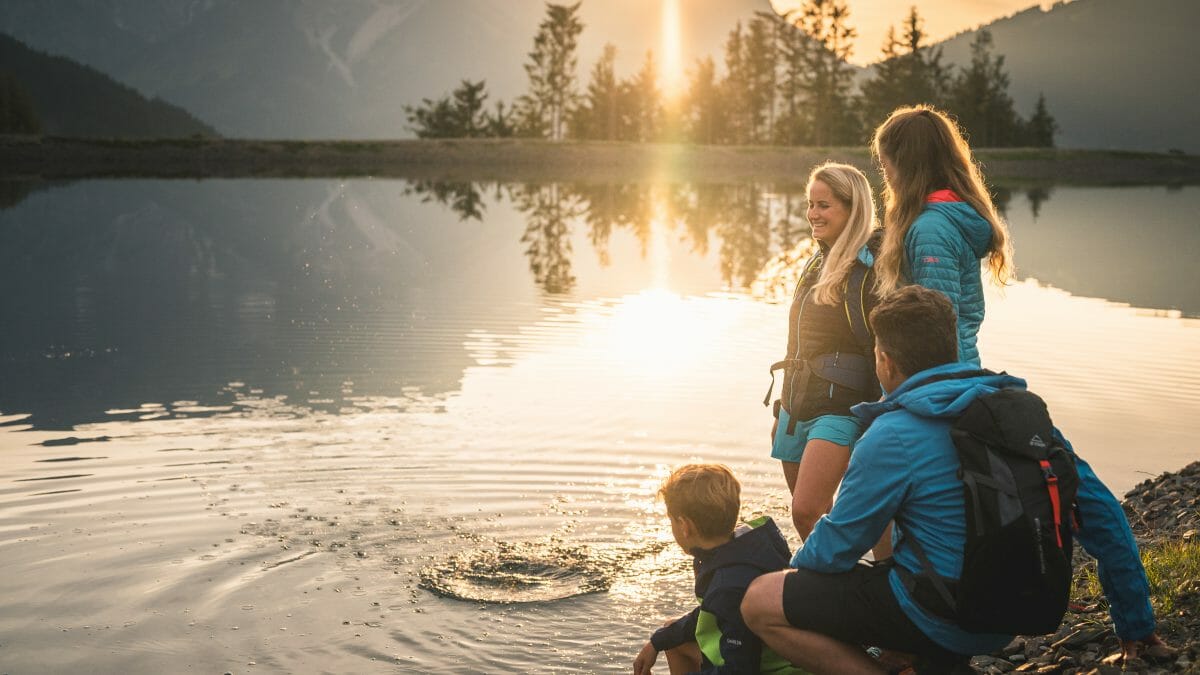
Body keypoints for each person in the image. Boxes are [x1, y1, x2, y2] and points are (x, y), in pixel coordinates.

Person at [741, 286, 1164, 674]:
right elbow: (1105, 519)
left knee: (760, 601)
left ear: (884, 359)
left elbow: (833, 551)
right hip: (1018, 613)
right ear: (950, 345)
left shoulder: (892, 434)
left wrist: (794, 581)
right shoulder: (1019, 415)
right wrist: (1136, 624)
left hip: (942, 617)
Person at [766, 162, 885, 549]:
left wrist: (886, 411)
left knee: (807, 509)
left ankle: (837, 581)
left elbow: (882, 343)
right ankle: (837, 586)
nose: (813, 214)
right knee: (809, 514)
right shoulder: (818, 261)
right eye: (810, 204)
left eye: (824, 205)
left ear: (853, 210)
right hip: (797, 405)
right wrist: (785, 403)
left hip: (840, 408)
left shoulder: (870, 269)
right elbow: (800, 342)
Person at [871, 105, 1015, 365]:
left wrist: (922, 390)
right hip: (936, 379)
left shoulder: (932, 231)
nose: (886, 178)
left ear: (906, 166)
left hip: (936, 385)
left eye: (884, 166)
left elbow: (935, 329)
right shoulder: (933, 220)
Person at [633, 464, 802, 675]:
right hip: (775, 654)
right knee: (672, 635)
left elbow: (739, 669)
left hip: (771, 668)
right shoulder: (750, 548)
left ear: (685, 526)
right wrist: (658, 641)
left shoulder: (729, 585)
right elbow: (713, 612)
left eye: (671, 521)